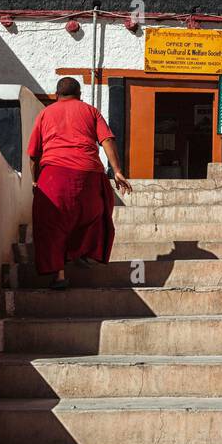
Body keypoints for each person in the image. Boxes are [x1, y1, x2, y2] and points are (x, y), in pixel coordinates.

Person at [27, 77, 132, 289]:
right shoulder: (90, 111)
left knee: (51, 225)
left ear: (57, 95)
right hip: (88, 175)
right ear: (79, 95)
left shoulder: (45, 113)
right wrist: (118, 171)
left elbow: (33, 154)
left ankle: (59, 275)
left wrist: (35, 180)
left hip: (53, 175)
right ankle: (82, 251)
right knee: (93, 214)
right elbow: (107, 140)